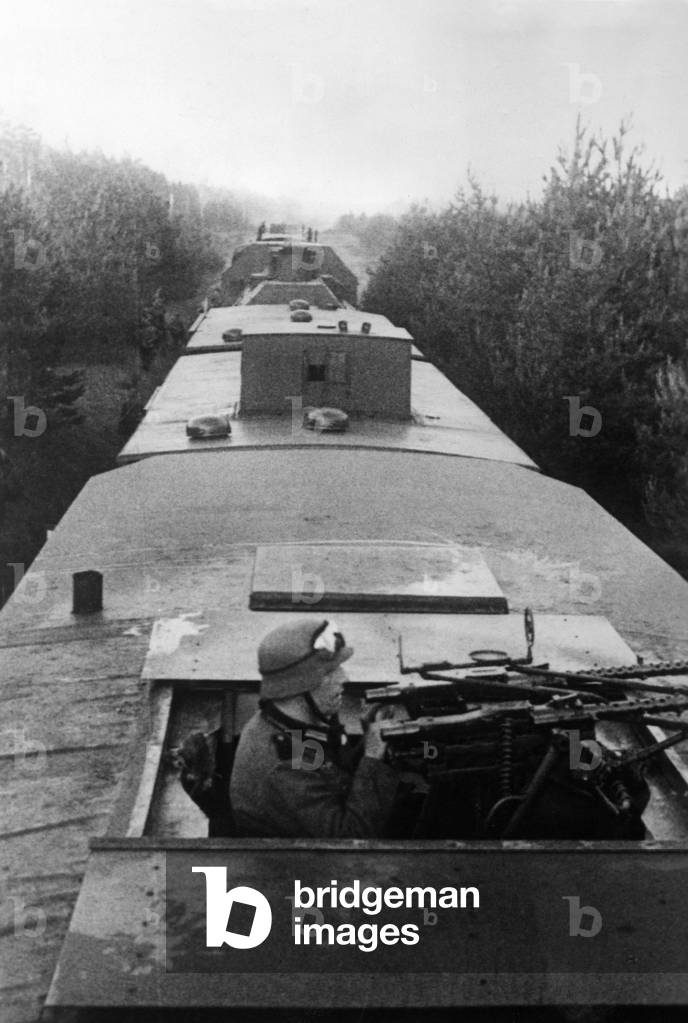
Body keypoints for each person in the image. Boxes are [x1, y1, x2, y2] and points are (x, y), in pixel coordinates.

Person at [230, 619, 403, 838]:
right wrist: (373, 758)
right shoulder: (283, 766)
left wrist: (366, 741)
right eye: (330, 673)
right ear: (299, 685)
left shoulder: (289, 724)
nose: (344, 678)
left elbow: (331, 771)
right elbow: (351, 840)